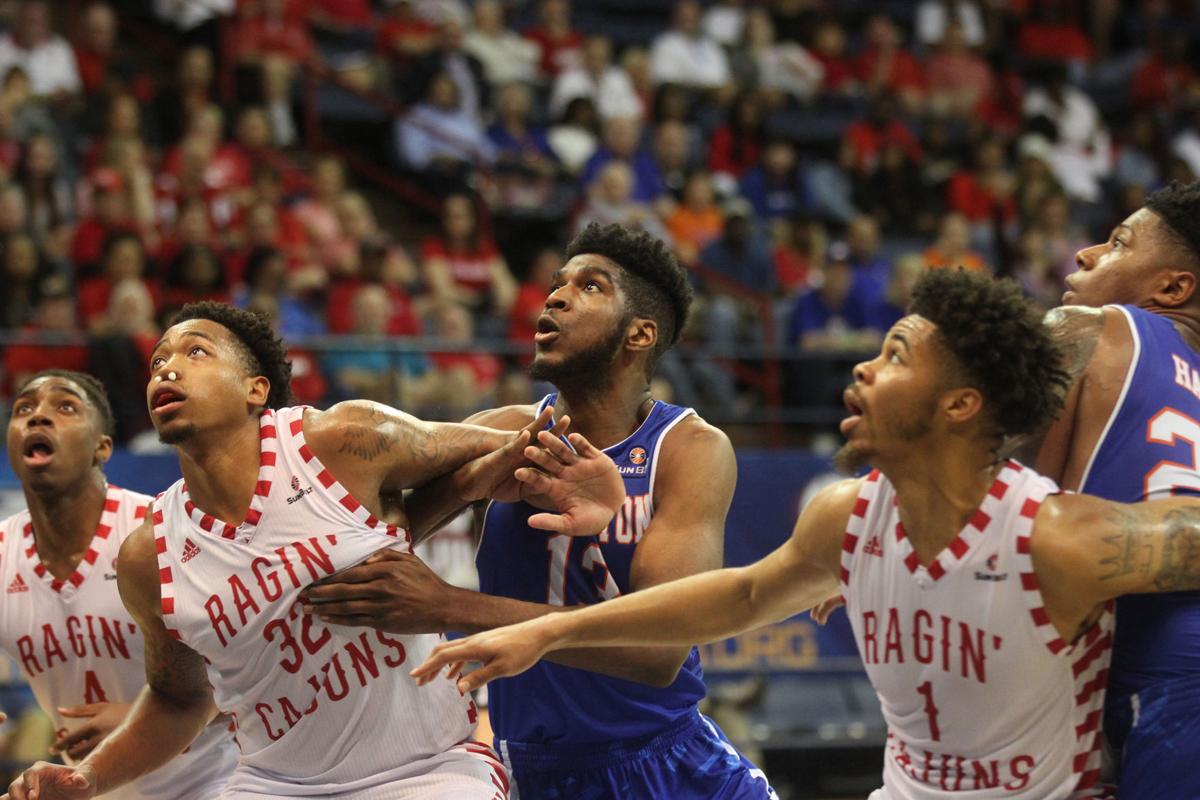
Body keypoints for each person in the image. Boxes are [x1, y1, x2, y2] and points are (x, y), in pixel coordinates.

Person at [413, 268, 1200, 798]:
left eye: (895, 357)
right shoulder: (847, 519)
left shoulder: (1054, 539)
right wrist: (548, 631)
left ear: (960, 406)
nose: (862, 369)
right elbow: (742, 595)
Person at [3, 302, 624, 799]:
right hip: (272, 786)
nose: (166, 369)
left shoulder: (338, 439)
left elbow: (492, 436)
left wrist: (592, 470)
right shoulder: (148, 556)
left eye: (195, 352)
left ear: (255, 389)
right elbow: (179, 698)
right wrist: (89, 780)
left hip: (427, 770)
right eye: (159, 359)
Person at [303, 223, 778, 799]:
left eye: (590, 286)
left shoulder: (688, 449)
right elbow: (368, 535)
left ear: (640, 333)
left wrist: (448, 605)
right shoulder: (503, 430)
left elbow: (660, 653)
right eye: (557, 284)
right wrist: (467, 484)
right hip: (532, 771)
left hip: (667, 763)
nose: (555, 297)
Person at [1027, 180, 1200, 797]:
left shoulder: (1090, 328)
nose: (1087, 253)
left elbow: (963, 453)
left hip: (1161, 678)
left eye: (1119, 243)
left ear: (1173, 288)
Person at [0, 369, 236, 798]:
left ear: (102, 446)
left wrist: (149, 718)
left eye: (65, 406)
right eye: (24, 409)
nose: (38, 416)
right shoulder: (3, 553)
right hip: (91, 788)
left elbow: (261, 673)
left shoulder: (161, 532)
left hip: (212, 784)